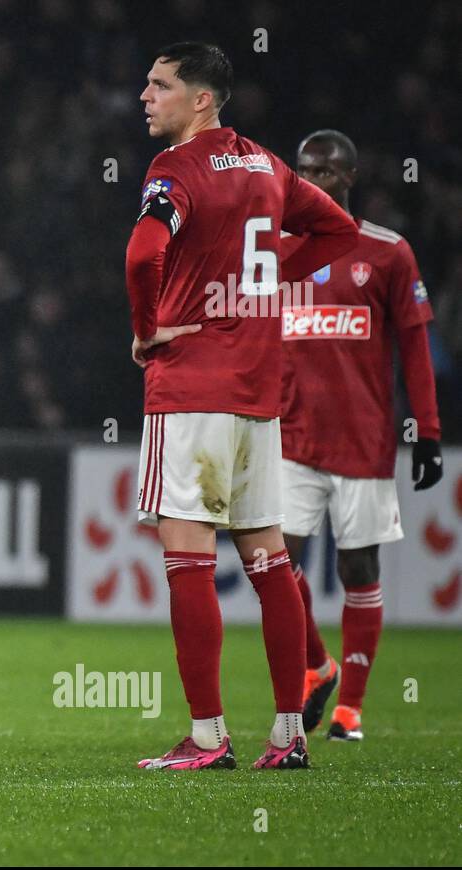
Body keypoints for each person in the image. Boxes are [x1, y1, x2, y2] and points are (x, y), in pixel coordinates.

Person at [125, 42, 359, 770]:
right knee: (268, 557)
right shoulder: (266, 164)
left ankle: (205, 738)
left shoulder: (175, 169)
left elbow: (141, 256)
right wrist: (262, 288)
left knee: (187, 556)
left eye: (160, 86)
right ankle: (290, 735)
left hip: (192, 383)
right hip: (260, 390)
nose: (144, 96)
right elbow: (339, 231)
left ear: (201, 100)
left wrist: (145, 329)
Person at [280, 129, 443, 742]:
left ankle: (349, 708)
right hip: (290, 437)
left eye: (324, 171)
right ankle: (315, 666)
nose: (312, 181)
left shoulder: (387, 252)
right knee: (273, 560)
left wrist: (427, 433)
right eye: (303, 171)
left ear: (349, 178)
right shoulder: (277, 252)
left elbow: (415, 345)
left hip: (363, 443)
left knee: (358, 567)